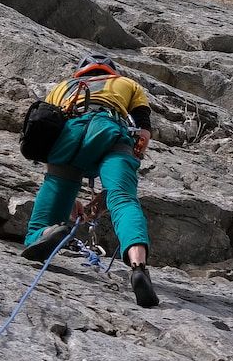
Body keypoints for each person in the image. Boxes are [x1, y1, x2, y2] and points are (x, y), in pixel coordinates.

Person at [21, 57, 158, 308]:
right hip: (111, 133)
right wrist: (133, 154)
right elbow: (144, 129)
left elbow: (48, 124)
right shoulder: (127, 83)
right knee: (123, 198)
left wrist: (70, 198)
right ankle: (138, 266)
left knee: (55, 188)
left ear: (81, 71)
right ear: (111, 71)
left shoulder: (63, 87)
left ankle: (43, 234)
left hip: (68, 137)